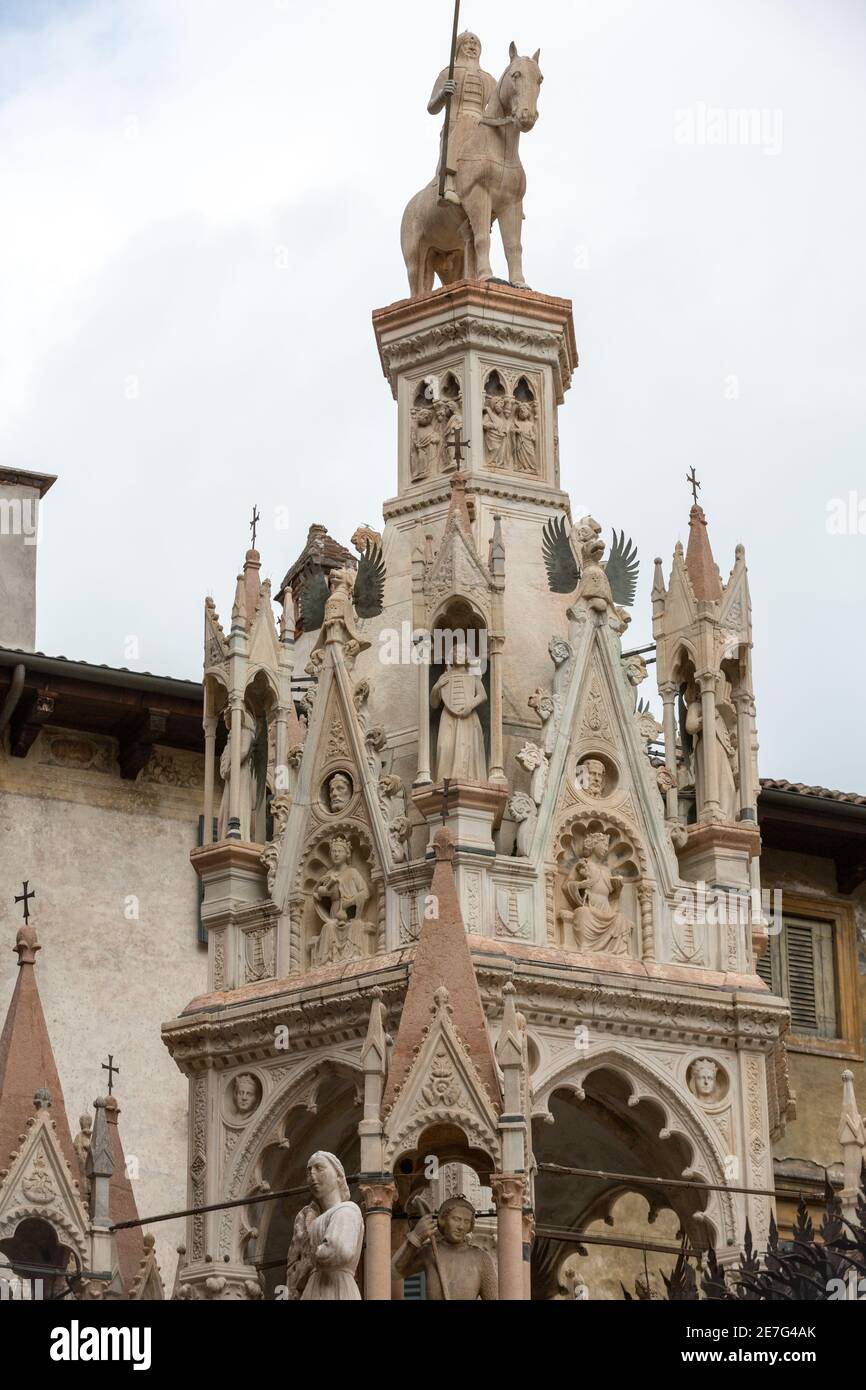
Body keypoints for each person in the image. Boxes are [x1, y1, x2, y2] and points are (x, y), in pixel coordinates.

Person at [427, 32, 496, 205]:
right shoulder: (449, 72)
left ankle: (505, 194)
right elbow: (431, 107)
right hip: (456, 123)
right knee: (454, 142)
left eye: (476, 45)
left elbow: (498, 107)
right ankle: (446, 186)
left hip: (481, 126)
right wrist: (443, 94)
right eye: (466, 43)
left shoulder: (489, 79)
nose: (472, 47)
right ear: (458, 48)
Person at [284, 1152, 364, 1300]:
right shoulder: (312, 1217)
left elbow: (339, 1250)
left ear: (338, 1176)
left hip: (335, 1287)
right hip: (313, 1288)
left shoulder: (347, 1210)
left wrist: (311, 1255)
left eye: (319, 1168)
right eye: (309, 1171)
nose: (312, 1174)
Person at [392, 1196, 498, 1300]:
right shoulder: (430, 1251)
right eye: (456, 1219)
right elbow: (395, 1272)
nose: (461, 1226)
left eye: (466, 1221)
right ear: (443, 1220)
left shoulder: (481, 1259)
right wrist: (415, 1238)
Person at [431, 643, 487, 782]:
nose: (459, 655)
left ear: (468, 657)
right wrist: (436, 687)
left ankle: (467, 778)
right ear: (452, 656)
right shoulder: (445, 677)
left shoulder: (472, 675)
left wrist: (469, 706)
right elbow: (434, 703)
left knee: (466, 746)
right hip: (448, 717)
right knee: (445, 746)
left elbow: (482, 695)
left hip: (468, 717)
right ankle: (444, 778)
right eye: (456, 652)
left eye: (463, 652)